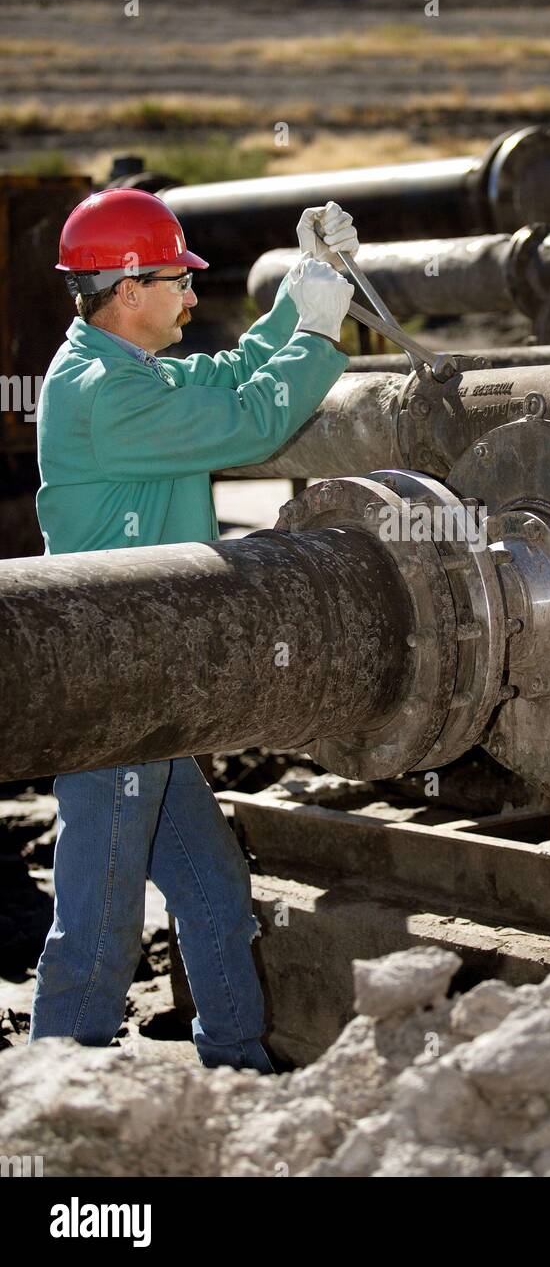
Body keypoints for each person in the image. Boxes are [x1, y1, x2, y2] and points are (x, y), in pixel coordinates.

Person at [29, 187, 358, 1073]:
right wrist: (322, 337)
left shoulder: (128, 369)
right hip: (115, 689)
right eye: (178, 281)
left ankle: (238, 1068)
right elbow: (252, 416)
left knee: (212, 887)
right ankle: (56, 1097)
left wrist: (306, 285)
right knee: (99, 919)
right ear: (127, 289)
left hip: (153, 683)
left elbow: (233, 373)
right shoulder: (107, 395)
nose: (190, 297)